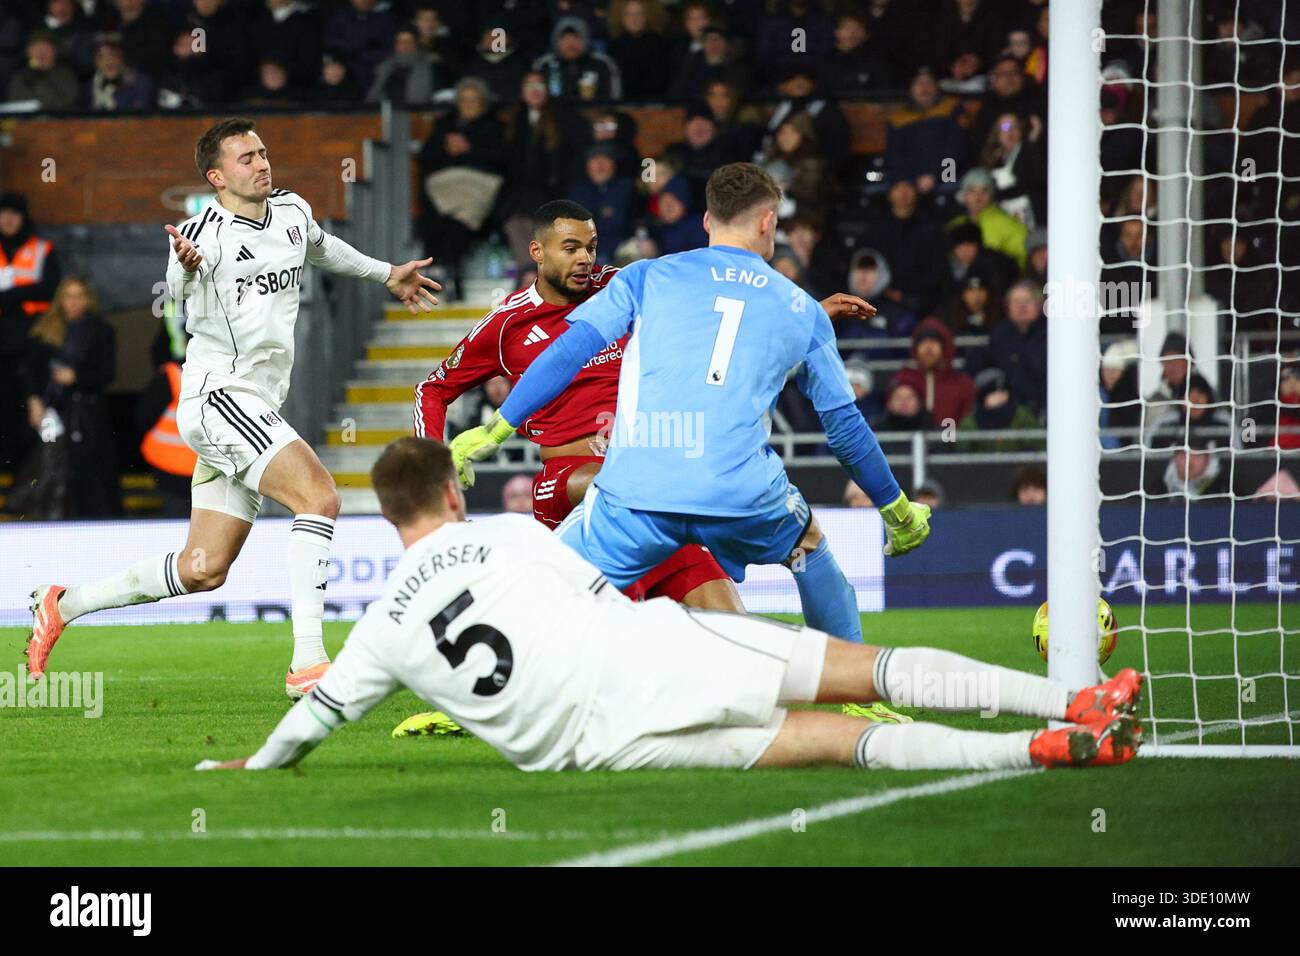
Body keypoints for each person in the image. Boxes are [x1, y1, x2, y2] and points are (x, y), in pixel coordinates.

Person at [197, 437, 1143, 774]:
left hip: (599, 749)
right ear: (451, 493)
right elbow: (599, 589)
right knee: (859, 675)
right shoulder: (516, 535)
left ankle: (1041, 753)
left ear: (386, 513)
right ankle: (1067, 706)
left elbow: (308, 724)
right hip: (653, 657)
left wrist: (250, 764)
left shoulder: (380, 629)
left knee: (825, 743)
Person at [25, 117, 441, 699]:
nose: (261, 163)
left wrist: (386, 273)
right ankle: (309, 664)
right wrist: (185, 266)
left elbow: (322, 248)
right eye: (246, 158)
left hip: (254, 404)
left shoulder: (292, 210)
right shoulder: (202, 233)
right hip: (219, 396)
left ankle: (63, 605)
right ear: (217, 176)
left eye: (263, 153)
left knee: (203, 568)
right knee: (319, 495)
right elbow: (177, 281)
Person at [450, 163, 931, 649]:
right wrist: (895, 508)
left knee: (546, 585)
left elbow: (568, 350)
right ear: (768, 223)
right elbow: (845, 429)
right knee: (807, 546)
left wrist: (495, 430)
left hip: (639, 492)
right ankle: (856, 693)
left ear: (706, 221)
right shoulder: (801, 308)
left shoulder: (648, 277)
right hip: (740, 493)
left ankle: (467, 684)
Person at [414, 199, 741, 612]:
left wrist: (803, 314)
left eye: (591, 246)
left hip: (651, 488)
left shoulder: (621, 288)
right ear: (537, 252)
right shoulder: (507, 324)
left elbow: (711, 304)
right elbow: (432, 388)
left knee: (734, 628)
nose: (585, 259)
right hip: (568, 482)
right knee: (616, 491)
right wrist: (430, 465)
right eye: (571, 249)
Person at [19, 276, 120, 518]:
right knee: (49, 473)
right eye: (68, 296)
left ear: (88, 300)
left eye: (79, 296)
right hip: (52, 414)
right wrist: (33, 400)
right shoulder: (43, 330)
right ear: (60, 300)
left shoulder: (101, 331)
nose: (73, 303)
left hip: (87, 416)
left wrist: (76, 378)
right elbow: (28, 370)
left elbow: (107, 374)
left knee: (90, 479)